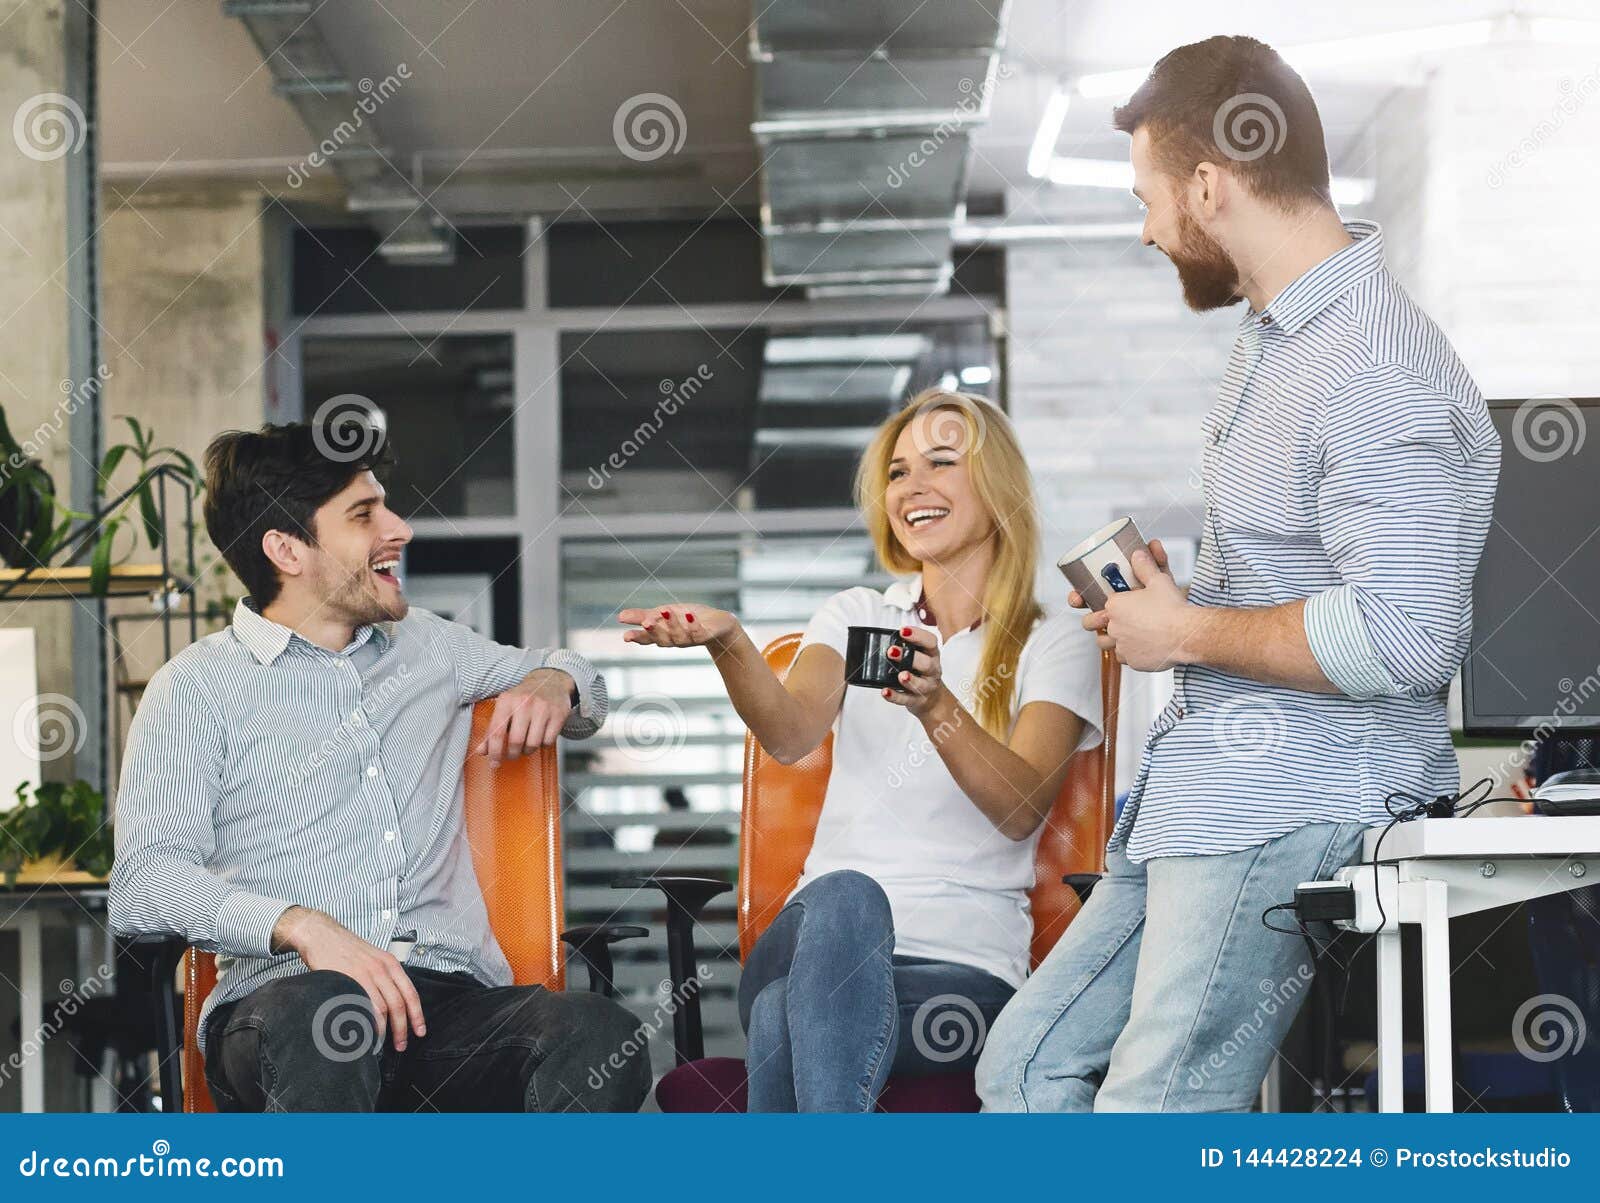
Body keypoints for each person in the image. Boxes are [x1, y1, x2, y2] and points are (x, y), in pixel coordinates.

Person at [977, 35, 1499, 1112]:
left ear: (1209, 186)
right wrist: (1180, 602)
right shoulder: (1278, 342)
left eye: (1150, 197)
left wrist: (1187, 636)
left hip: (1291, 796)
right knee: (1021, 1070)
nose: (1147, 227)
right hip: (1196, 796)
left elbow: (1405, 636)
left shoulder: (1370, 366)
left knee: (1152, 1121)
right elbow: (1309, 577)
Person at [109, 421, 650, 1113]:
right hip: (286, 1005)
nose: (400, 528)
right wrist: (302, 923)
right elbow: (143, 882)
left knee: (601, 1031)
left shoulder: (430, 646)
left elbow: (583, 688)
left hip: (448, 1010)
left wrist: (554, 679)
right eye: (364, 515)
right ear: (286, 549)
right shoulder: (195, 687)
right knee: (324, 1008)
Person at [619, 389, 1103, 1111]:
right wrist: (730, 643)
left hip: (960, 974)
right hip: (816, 937)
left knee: (790, 1015)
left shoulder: (1052, 639)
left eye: (941, 463)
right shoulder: (858, 615)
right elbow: (789, 732)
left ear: (997, 485)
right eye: (898, 471)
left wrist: (938, 707)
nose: (912, 488)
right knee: (848, 895)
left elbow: (1021, 808)